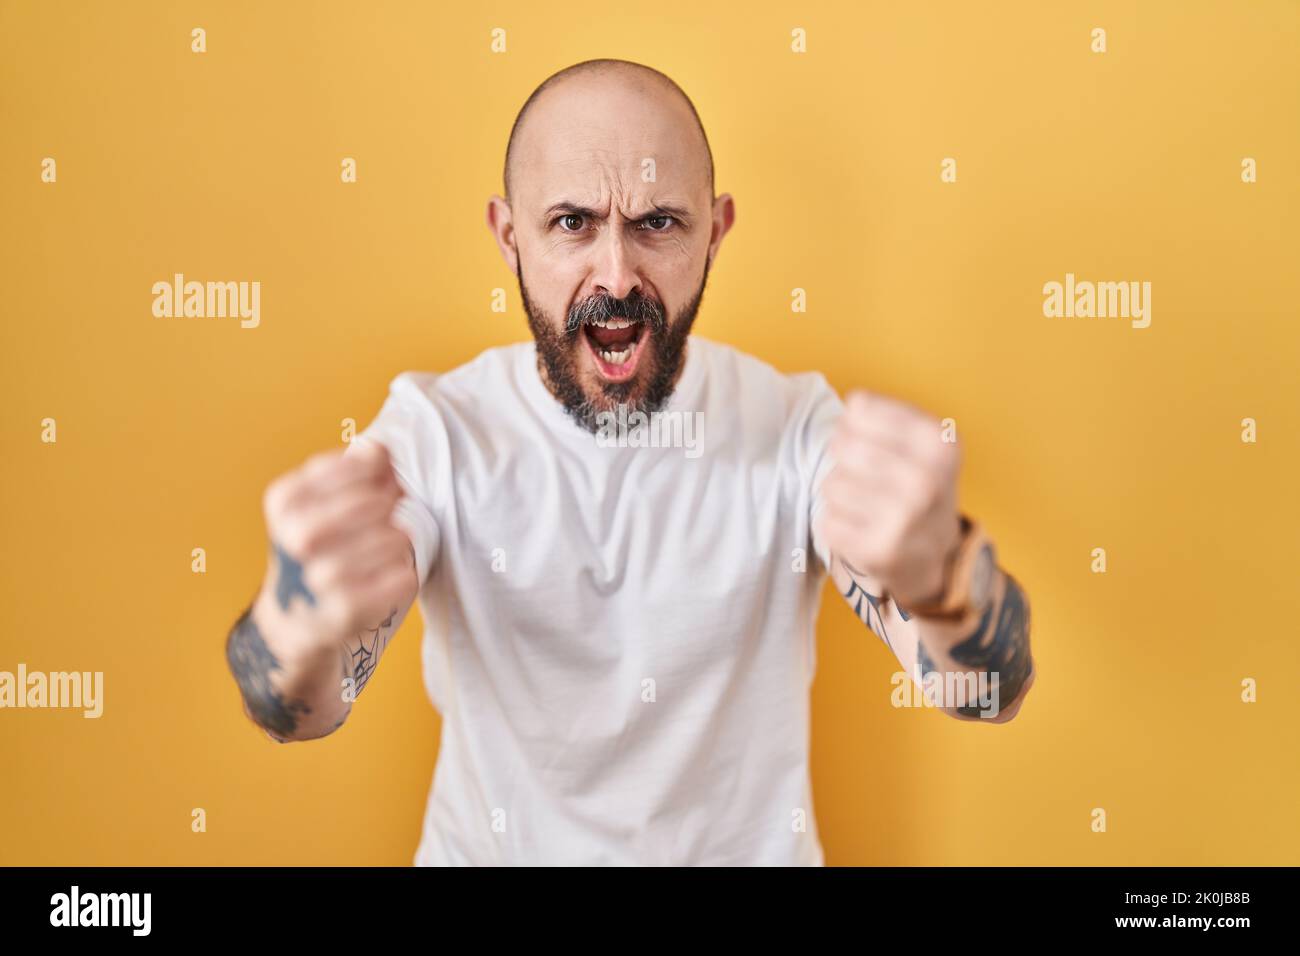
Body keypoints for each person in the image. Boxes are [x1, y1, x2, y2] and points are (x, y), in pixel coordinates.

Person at [225, 58, 1035, 866]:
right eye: (572, 222)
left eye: (658, 224)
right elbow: (297, 710)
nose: (616, 276)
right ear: (511, 238)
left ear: (714, 232)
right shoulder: (437, 435)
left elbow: (987, 695)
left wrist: (945, 585)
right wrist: (297, 624)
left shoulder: (793, 429)